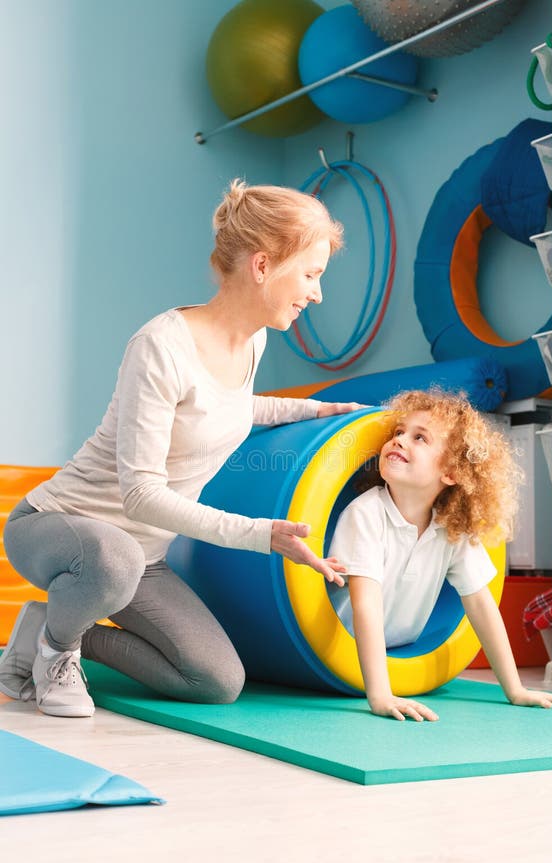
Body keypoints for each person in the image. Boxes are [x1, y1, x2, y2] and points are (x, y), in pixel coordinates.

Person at [0, 179, 361, 719]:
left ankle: (47, 629)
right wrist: (262, 535)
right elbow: (142, 495)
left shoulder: (253, 340)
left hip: (141, 559)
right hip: (57, 529)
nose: (317, 293)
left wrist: (311, 410)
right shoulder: (160, 346)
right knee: (115, 558)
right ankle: (57, 653)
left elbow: (223, 407)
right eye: (311, 274)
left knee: (215, 680)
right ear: (263, 266)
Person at [328, 389, 552, 721]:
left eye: (420, 438)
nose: (399, 440)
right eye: (399, 432)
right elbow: (366, 605)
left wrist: (515, 689)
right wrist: (380, 695)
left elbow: (481, 606)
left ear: (451, 472)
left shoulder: (451, 529)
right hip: (342, 645)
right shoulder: (365, 513)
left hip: (402, 648)